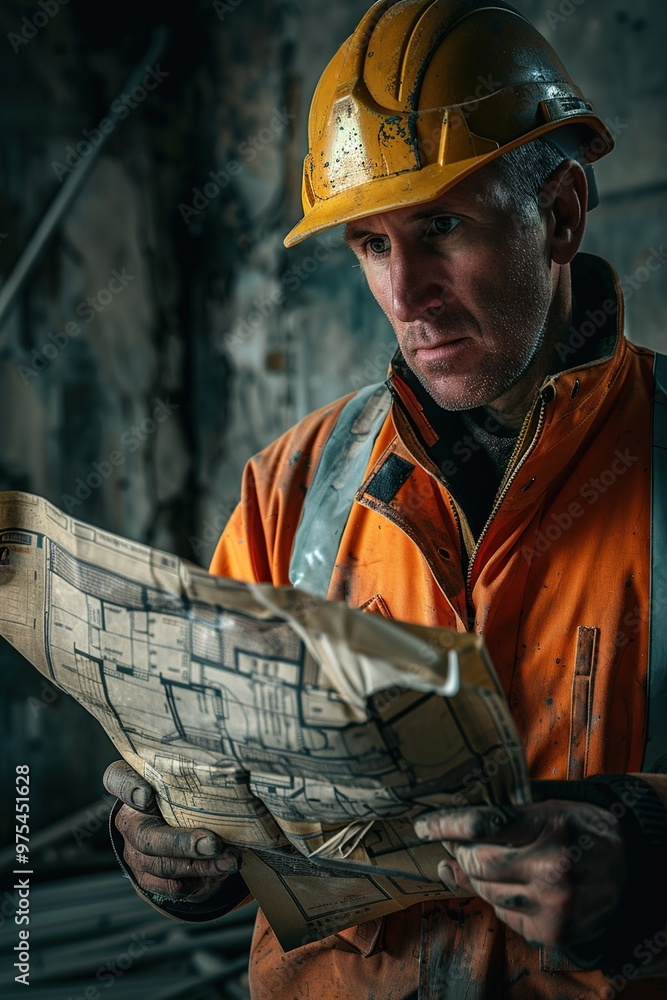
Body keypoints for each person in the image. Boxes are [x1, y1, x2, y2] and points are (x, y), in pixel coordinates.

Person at [104, 1, 667, 996]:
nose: (406, 292)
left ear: (562, 213)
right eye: (370, 244)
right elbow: (199, 768)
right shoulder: (291, 484)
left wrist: (647, 854)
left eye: (441, 226)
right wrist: (161, 847)